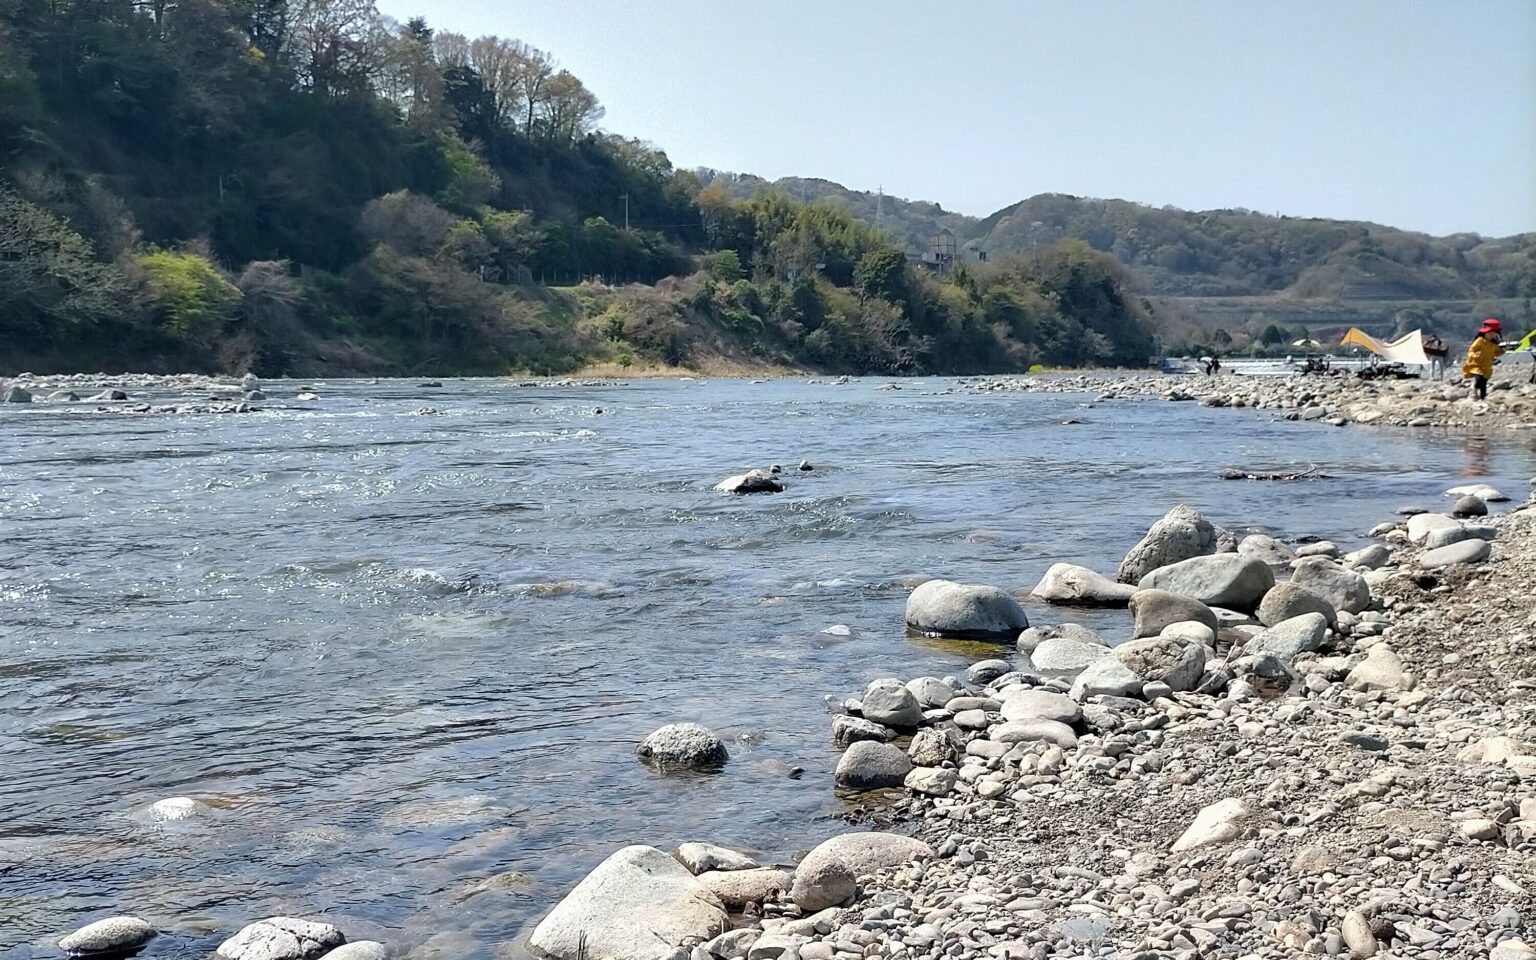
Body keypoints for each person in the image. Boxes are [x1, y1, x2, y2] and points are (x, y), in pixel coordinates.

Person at [1462, 318, 1507, 400]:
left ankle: (1482, 397)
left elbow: (1497, 353)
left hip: (1487, 366)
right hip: (1476, 365)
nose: (1492, 335)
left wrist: (1503, 351)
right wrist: (1475, 355)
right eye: (1490, 333)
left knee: (1483, 383)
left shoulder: (1493, 344)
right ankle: (1474, 392)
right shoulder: (1479, 341)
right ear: (1485, 332)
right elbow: (1471, 350)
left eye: (1494, 333)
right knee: (1478, 377)